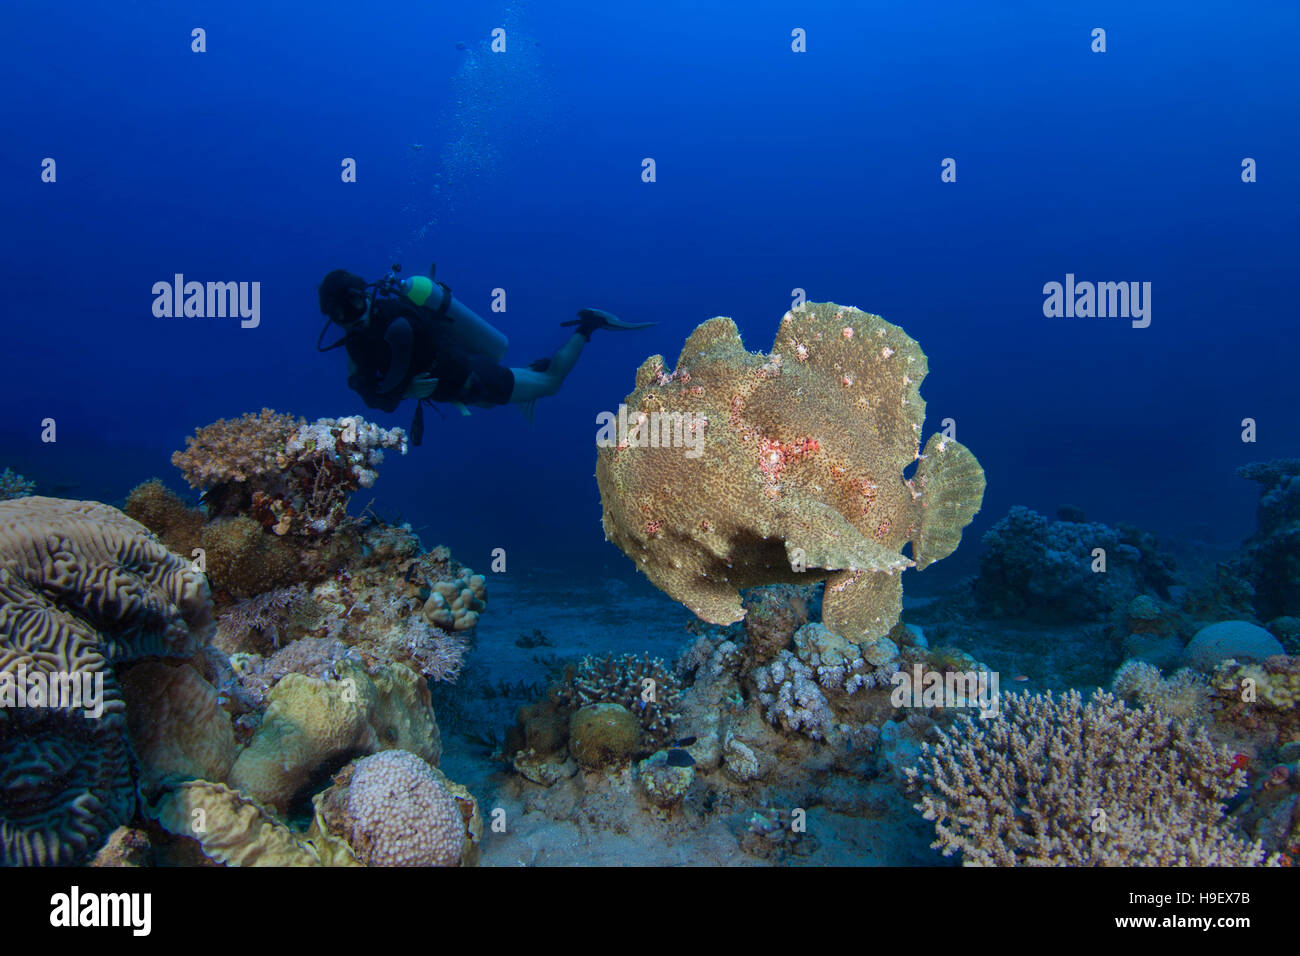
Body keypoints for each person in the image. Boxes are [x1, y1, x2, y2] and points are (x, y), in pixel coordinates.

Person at [316, 266, 652, 442]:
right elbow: (378, 400)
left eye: (355, 304)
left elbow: (389, 392)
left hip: (471, 377)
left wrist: (403, 388)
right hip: (465, 385)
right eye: (342, 314)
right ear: (332, 318)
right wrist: (401, 388)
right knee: (495, 400)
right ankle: (529, 375)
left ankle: (589, 325)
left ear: (365, 295)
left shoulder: (396, 321)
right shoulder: (356, 346)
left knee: (551, 384)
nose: (353, 316)